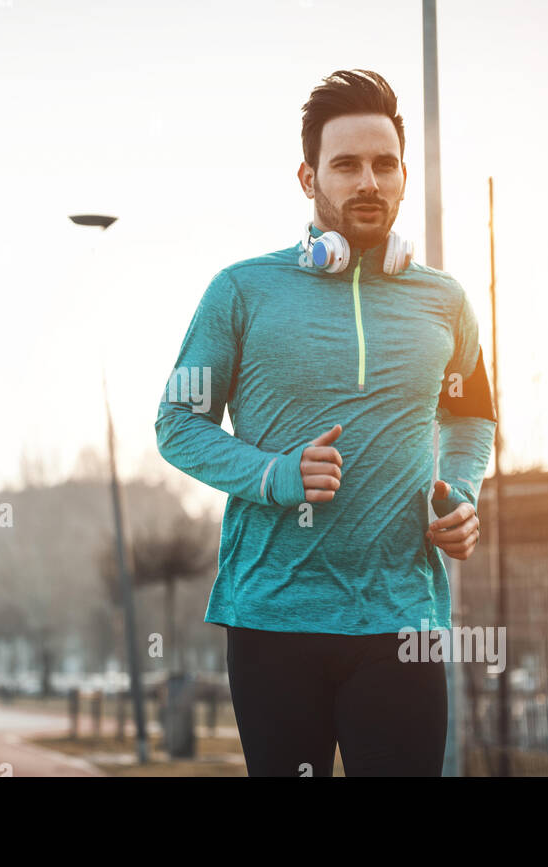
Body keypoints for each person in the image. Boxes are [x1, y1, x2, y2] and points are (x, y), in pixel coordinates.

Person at [154, 69, 496, 776]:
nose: (368, 180)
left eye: (384, 164)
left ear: (402, 176)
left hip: (405, 619)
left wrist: (461, 493)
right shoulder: (241, 290)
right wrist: (276, 475)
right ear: (308, 177)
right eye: (346, 164)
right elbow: (177, 423)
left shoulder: (445, 300)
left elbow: (471, 419)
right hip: (272, 618)